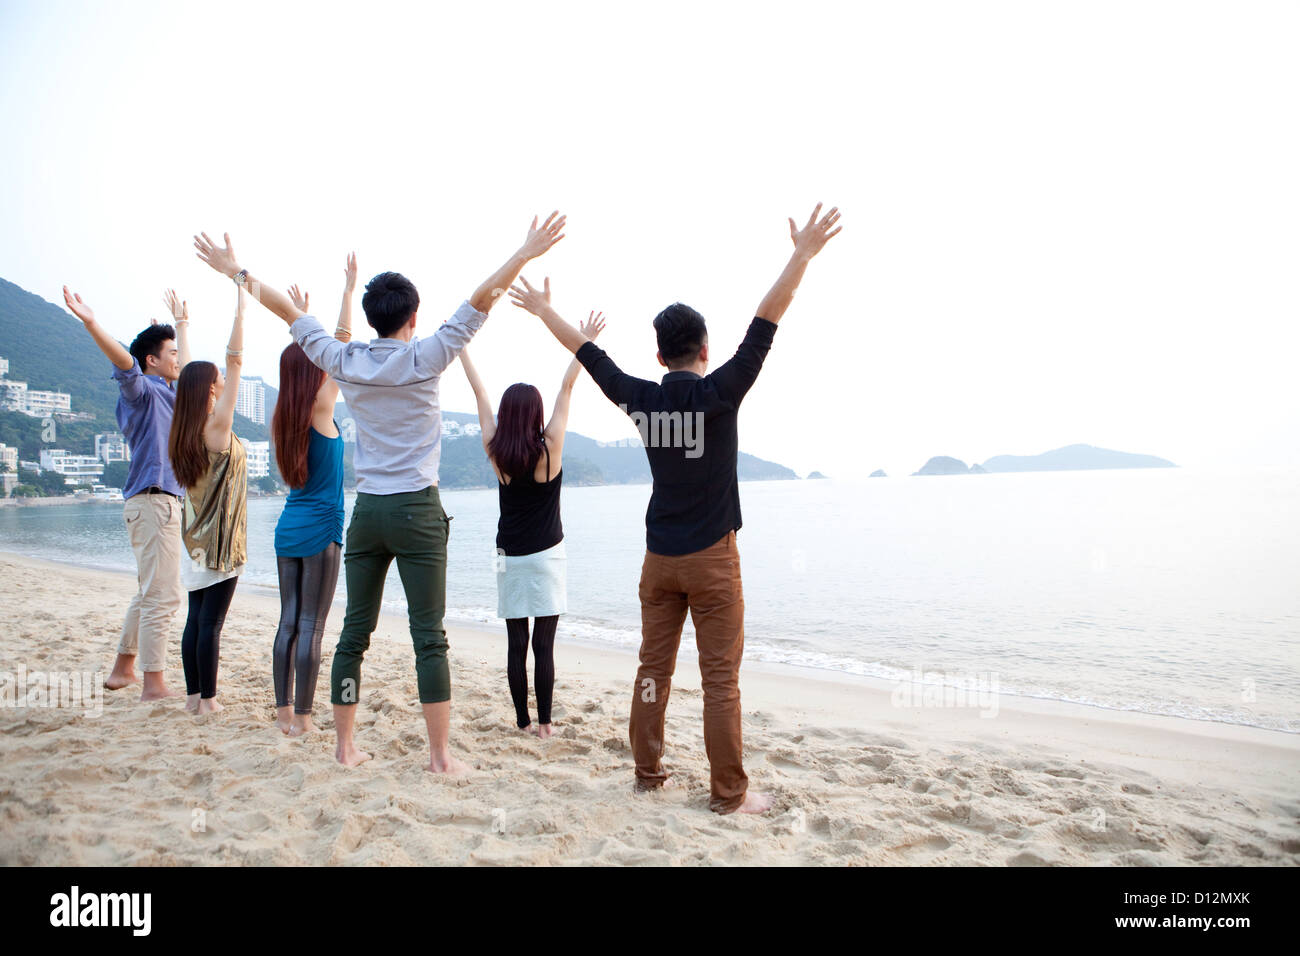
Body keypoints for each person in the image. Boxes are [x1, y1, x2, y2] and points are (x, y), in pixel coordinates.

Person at [192, 213, 566, 773]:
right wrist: (524, 252)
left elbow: (288, 312)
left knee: (352, 633)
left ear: (372, 318)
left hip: (366, 512)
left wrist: (236, 272)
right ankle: (439, 758)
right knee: (428, 638)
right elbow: (482, 299)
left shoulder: (344, 360)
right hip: (417, 510)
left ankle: (344, 748)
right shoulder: (428, 355)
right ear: (413, 318)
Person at [511, 203, 842, 814]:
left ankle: (647, 772)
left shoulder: (640, 397)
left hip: (659, 559)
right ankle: (729, 796)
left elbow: (588, 353)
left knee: (652, 669)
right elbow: (766, 320)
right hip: (713, 557)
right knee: (720, 682)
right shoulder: (722, 390)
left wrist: (541, 310)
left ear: (661, 356)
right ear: (705, 351)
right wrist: (801, 255)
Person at [457, 310, 606, 738]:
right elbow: (567, 385)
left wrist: (462, 347)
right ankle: (544, 726)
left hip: (507, 555)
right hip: (547, 556)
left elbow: (479, 391)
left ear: (508, 414)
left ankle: (521, 722)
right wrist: (584, 340)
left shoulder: (495, 451)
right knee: (544, 645)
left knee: (516, 642)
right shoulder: (551, 449)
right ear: (536, 413)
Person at [62, 286, 190, 703]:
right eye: (169, 352)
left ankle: (123, 670)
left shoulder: (170, 393)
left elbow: (184, 370)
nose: (177, 358)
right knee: (164, 596)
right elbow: (125, 362)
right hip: (154, 502)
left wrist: (173, 330)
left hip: (156, 503)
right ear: (152, 361)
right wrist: (92, 322)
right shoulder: (143, 392)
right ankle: (153, 685)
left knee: (148, 591)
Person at [268, 256, 355, 736]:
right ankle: (303, 720)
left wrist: (300, 321)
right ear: (314, 370)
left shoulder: (280, 418)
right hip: (323, 529)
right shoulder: (323, 409)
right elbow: (340, 344)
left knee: (287, 624)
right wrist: (348, 288)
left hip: (287, 528)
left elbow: (324, 350)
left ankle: (283, 714)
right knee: (313, 626)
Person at [168, 286, 249, 715]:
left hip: (194, 538)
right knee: (209, 624)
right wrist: (240, 309)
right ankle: (209, 703)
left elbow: (189, 378)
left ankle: (193, 697)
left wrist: (183, 328)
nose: (223, 377)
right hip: (219, 543)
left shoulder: (185, 429)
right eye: (217, 376)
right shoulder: (216, 429)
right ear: (212, 389)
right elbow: (235, 361)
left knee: (196, 619)